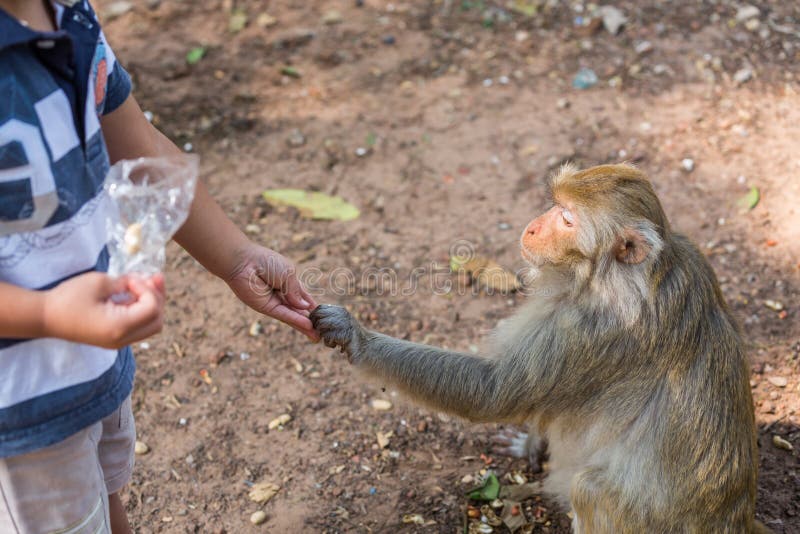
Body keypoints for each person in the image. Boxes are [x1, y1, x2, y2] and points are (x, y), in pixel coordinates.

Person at [0, 1, 318, 532]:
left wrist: (236, 257)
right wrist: (48, 313)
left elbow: (138, 151)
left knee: (106, 497)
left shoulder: (67, 14)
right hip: (21, 412)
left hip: (94, 365)